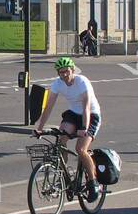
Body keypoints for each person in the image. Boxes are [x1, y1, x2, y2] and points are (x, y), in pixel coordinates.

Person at [33, 56, 102, 199]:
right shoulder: (57, 84)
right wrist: (40, 128)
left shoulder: (82, 82)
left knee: (80, 149)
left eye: (67, 71)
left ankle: (93, 181)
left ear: (72, 70)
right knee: (61, 139)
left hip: (90, 115)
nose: (64, 75)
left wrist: (83, 127)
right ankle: (64, 176)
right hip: (73, 114)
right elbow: (48, 107)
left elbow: (86, 107)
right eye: (61, 72)